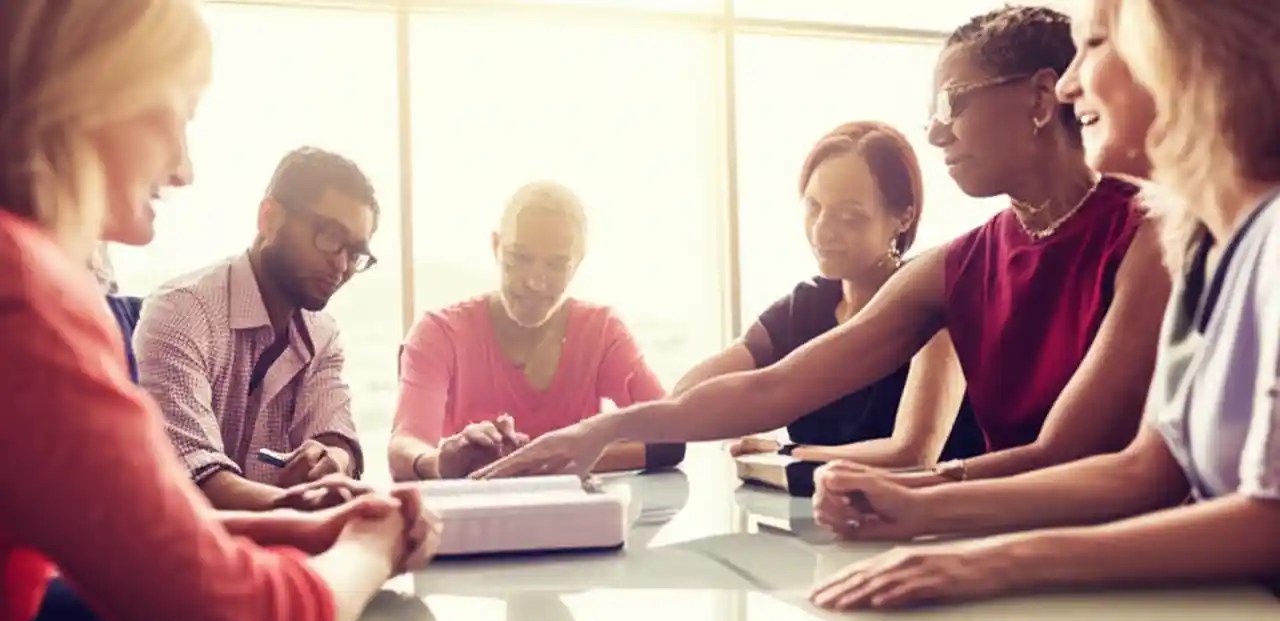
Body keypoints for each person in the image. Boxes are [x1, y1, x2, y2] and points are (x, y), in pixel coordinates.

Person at [473, 6, 1170, 488]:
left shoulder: (1148, 231)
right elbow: (776, 387)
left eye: (951, 103)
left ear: (1042, 100)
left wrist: (919, 491)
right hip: (1003, 543)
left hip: (1134, 573)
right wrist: (601, 431)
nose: (934, 133)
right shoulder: (957, 265)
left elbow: (1064, 458)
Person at [0, 0, 437, 621]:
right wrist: (372, 548)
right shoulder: (27, 294)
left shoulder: (319, 335)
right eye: (173, 112)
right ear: (82, 92)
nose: (183, 169)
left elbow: (138, 531)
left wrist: (307, 522)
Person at [807, 0, 1280, 610]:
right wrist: (918, 505)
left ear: (1192, 55)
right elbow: (1142, 472)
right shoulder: (1201, 248)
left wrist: (993, 562)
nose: (1069, 83)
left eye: (1099, 44)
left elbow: (1270, 522)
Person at [674, 121, 984, 467]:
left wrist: (787, 453)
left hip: (937, 515)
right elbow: (687, 395)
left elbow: (912, 453)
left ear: (903, 218)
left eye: (849, 217)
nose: (823, 231)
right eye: (814, 207)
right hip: (825, 513)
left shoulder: (928, 300)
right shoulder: (805, 308)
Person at [389, 180, 684, 480]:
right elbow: (403, 449)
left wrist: (551, 457)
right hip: (473, 520)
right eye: (520, 258)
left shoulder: (602, 331)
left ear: (577, 264)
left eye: (556, 265)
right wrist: (440, 463)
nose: (535, 281)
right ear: (496, 247)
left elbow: (670, 435)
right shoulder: (439, 334)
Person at [135, 147, 378, 511]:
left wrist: (331, 460)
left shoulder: (322, 335)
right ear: (270, 217)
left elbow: (337, 434)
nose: (341, 265)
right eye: (330, 236)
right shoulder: (181, 311)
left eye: (356, 253)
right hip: (182, 551)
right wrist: (301, 508)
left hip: (282, 547)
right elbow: (194, 476)